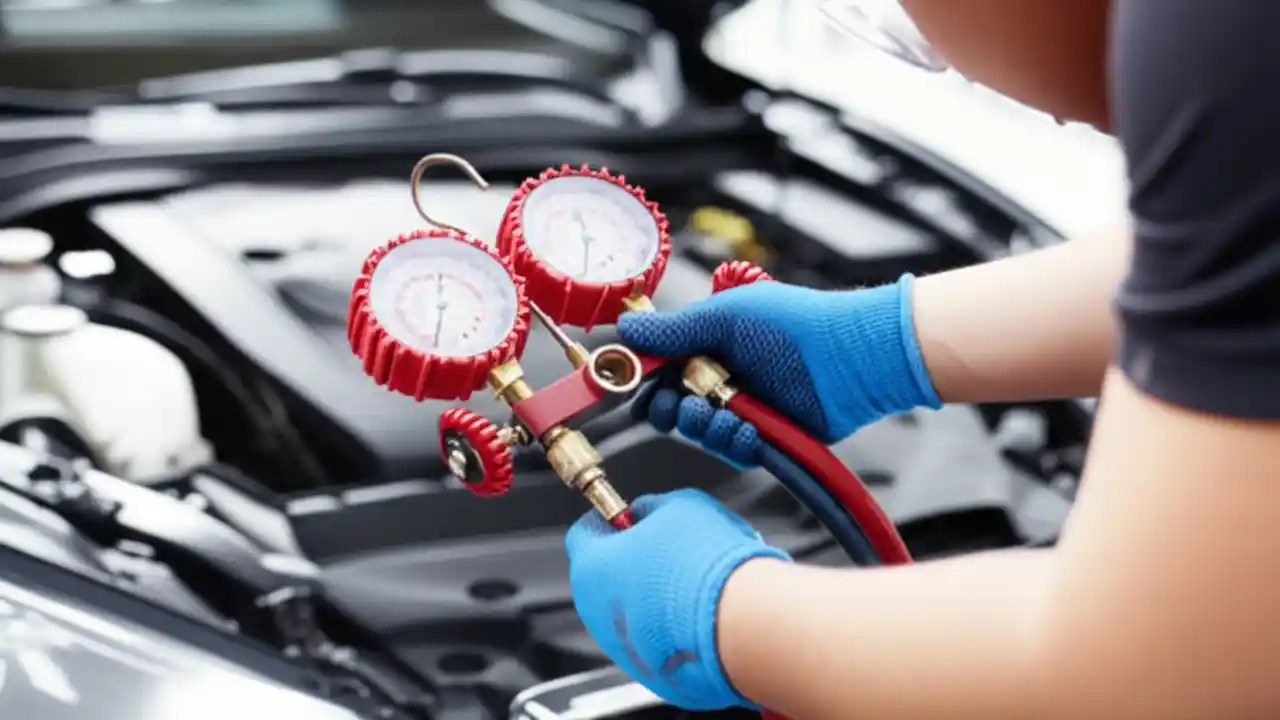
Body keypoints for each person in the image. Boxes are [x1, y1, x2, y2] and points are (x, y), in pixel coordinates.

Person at [563, 1, 1280, 717]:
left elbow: (1167, 663)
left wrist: (733, 619)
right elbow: (1245, 261)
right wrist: (881, 345)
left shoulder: (1221, 38)